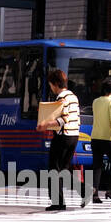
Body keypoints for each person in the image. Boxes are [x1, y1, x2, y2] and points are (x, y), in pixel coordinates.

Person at [37, 67, 81, 211]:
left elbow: (63, 119)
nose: (51, 87)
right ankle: (85, 191)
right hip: (74, 136)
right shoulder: (73, 96)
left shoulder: (62, 97)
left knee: (54, 169)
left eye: (51, 84)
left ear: (55, 83)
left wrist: (45, 124)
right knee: (63, 169)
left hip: (63, 137)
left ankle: (58, 202)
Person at [90, 77, 111, 203]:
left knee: (97, 166)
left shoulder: (95, 102)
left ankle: (95, 194)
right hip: (107, 139)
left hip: (95, 138)